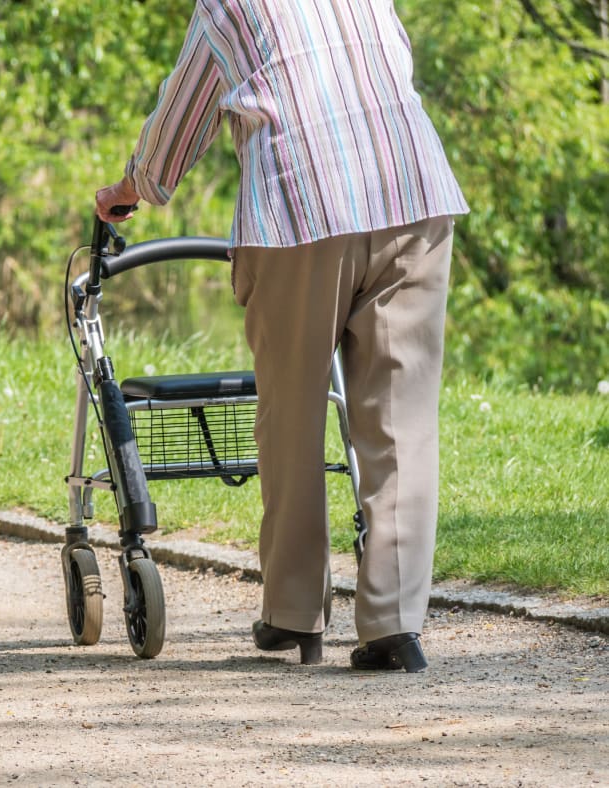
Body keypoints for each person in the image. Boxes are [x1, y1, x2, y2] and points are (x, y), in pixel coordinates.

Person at [96, 0, 468, 672]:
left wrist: (133, 187)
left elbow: (177, 131)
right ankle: (393, 626)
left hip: (304, 206)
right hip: (413, 193)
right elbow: (396, 65)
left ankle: (294, 613)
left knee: (292, 412)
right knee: (400, 422)